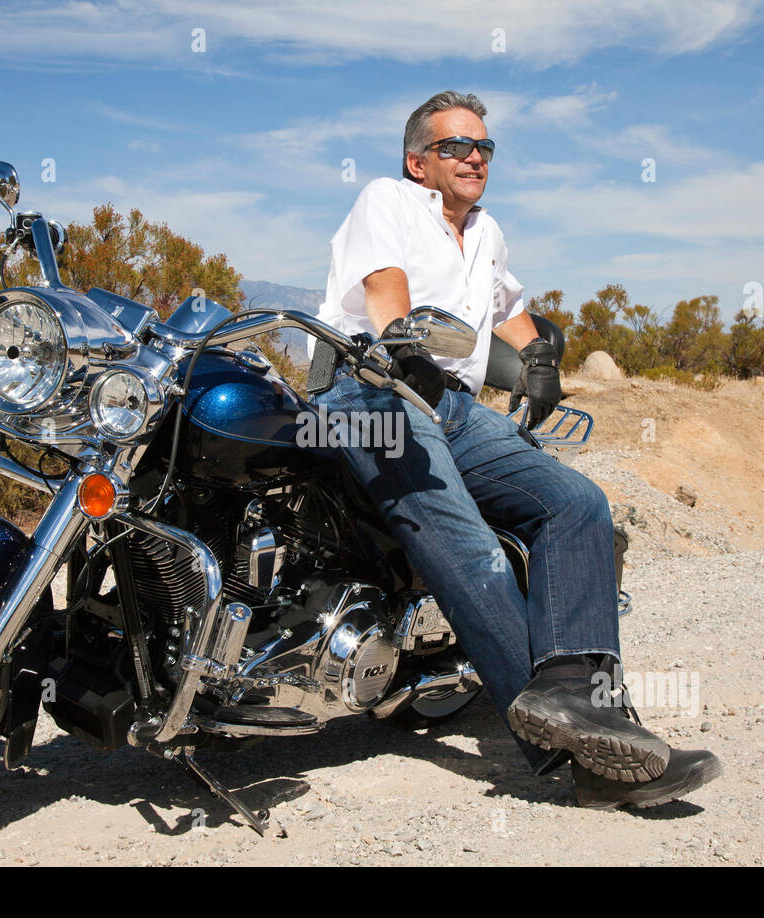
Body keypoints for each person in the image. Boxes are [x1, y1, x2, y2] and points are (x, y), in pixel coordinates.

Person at [308, 91, 721, 809]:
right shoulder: (389, 201)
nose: (475, 157)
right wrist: (408, 352)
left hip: (451, 406)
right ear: (417, 161)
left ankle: (574, 694)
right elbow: (385, 294)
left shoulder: (488, 231)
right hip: (371, 394)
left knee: (576, 505)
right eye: (456, 146)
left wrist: (540, 361)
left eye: (484, 148)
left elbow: (511, 313)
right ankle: (583, 757)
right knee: (470, 549)